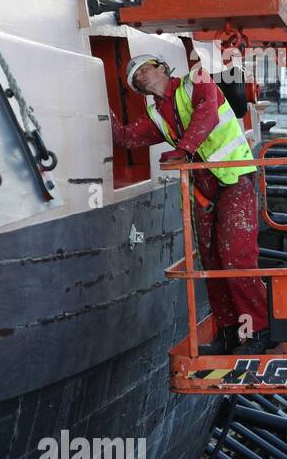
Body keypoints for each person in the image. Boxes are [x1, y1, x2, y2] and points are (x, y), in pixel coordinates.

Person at [111, 54, 272, 354]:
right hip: (206, 190)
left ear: (162, 66)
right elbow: (129, 138)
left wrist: (184, 150)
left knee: (234, 255)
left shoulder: (196, 81)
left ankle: (258, 330)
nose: (141, 76)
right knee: (211, 261)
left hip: (236, 178)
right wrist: (101, 115)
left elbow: (207, 114)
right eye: (135, 79)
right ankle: (229, 334)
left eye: (145, 69)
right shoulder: (158, 114)